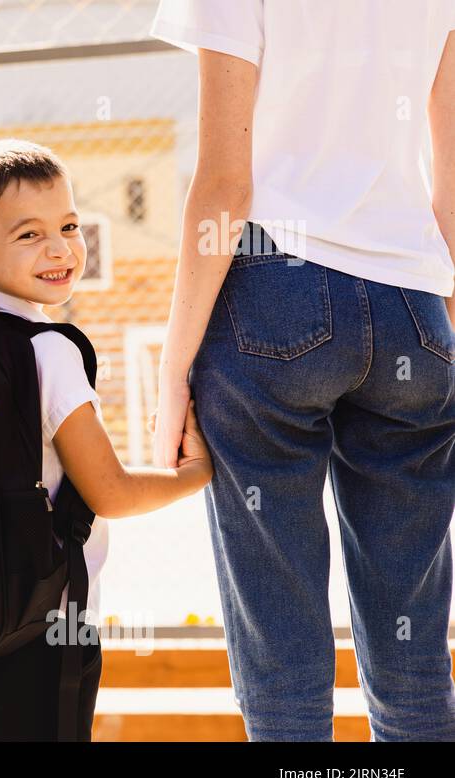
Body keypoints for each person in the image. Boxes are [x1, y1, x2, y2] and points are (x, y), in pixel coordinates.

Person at [150, 0, 455, 740]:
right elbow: (449, 184)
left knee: (280, 650)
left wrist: (173, 367)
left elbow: (225, 186)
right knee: (414, 654)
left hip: (274, 304)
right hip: (415, 311)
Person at [0, 139, 214, 741]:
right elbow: (111, 492)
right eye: (29, 235)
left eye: (70, 225)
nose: (59, 248)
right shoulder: (48, 351)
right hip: (43, 628)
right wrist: (195, 474)